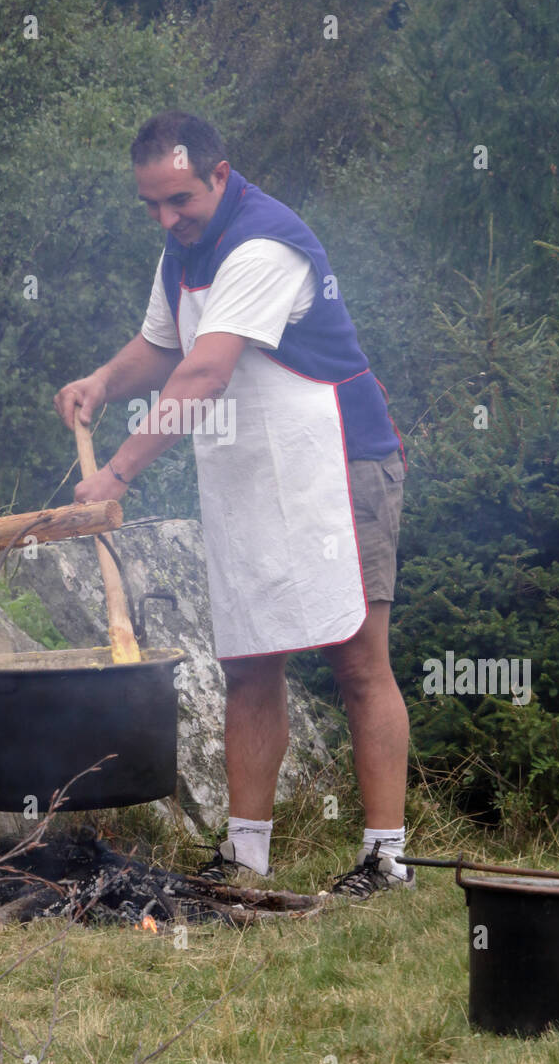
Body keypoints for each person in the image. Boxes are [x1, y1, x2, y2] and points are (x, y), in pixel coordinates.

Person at [53, 111, 413, 900]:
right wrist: (102, 384)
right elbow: (162, 348)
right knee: (248, 664)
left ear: (220, 174)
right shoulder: (183, 248)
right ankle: (245, 858)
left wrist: (117, 472)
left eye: (178, 200)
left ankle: (387, 861)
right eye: (151, 205)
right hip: (254, 477)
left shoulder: (264, 244)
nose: (166, 218)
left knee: (358, 663)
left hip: (341, 464)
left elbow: (204, 374)